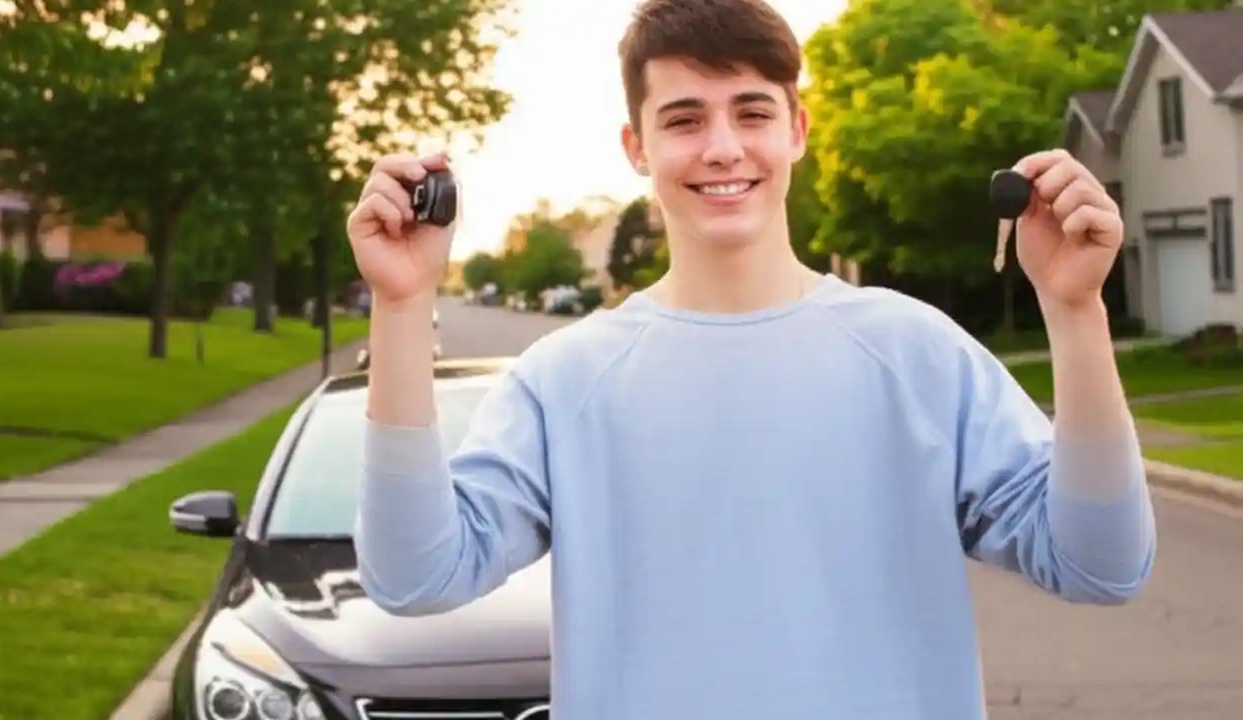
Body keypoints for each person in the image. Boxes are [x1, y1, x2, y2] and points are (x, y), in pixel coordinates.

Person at [345, 0, 1157, 716]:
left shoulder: (919, 355)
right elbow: (415, 577)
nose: (723, 147)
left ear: (798, 130)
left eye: (753, 112)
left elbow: (1100, 563)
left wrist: (1074, 309)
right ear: (637, 145)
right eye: (685, 118)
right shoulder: (564, 380)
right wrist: (404, 305)